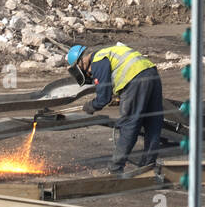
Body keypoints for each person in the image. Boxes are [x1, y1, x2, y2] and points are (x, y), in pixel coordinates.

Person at [65, 42, 163, 174]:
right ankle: (148, 166)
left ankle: (115, 168)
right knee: (153, 123)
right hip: (152, 73)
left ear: (81, 62)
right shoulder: (108, 53)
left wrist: (90, 106)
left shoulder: (98, 60)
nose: (87, 73)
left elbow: (103, 98)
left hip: (135, 79)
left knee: (129, 124)